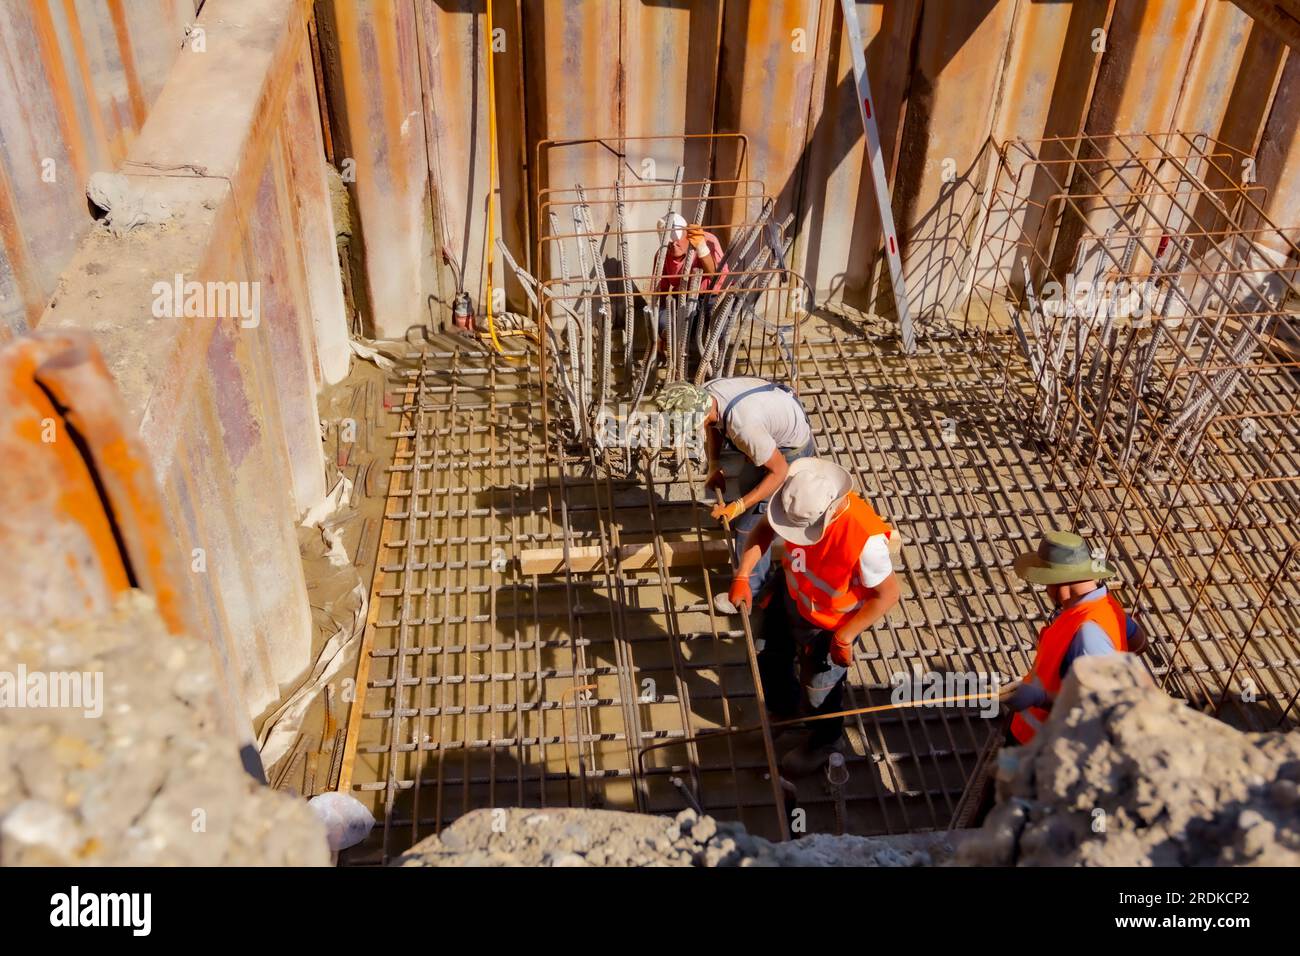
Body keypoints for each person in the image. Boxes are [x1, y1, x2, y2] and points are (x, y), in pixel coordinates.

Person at [728, 458, 901, 775]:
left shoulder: (864, 540)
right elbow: (764, 530)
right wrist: (743, 573)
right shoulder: (797, 497)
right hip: (791, 595)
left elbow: (888, 594)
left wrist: (845, 636)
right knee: (770, 655)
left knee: (820, 689)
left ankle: (825, 741)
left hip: (829, 625)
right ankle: (782, 712)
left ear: (829, 513)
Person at [653, 378, 815, 613]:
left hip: (790, 451)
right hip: (776, 421)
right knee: (747, 483)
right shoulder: (708, 394)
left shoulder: (743, 427)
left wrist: (739, 506)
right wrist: (714, 464)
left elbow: (779, 471)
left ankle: (753, 592)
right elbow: (713, 425)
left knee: (750, 524)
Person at [1002, 530, 1143, 744]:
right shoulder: (1107, 608)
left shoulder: (1088, 635)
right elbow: (1140, 642)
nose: (1047, 590)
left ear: (1063, 587)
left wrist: (1040, 698)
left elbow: (1095, 710)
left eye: (1047, 583)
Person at [654, 213, 728, 355]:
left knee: (718, 322)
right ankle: (679, 349)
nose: (673, 246)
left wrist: (701, 248)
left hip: (712, 296)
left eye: (677, 242)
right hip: (684, 298)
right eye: (669, 244)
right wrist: (659, 332)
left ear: (686, 235)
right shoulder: (663, 255)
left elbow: (716, 277)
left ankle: (716, 357)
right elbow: (659, 292)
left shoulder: (707, 240)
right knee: (663, 322)